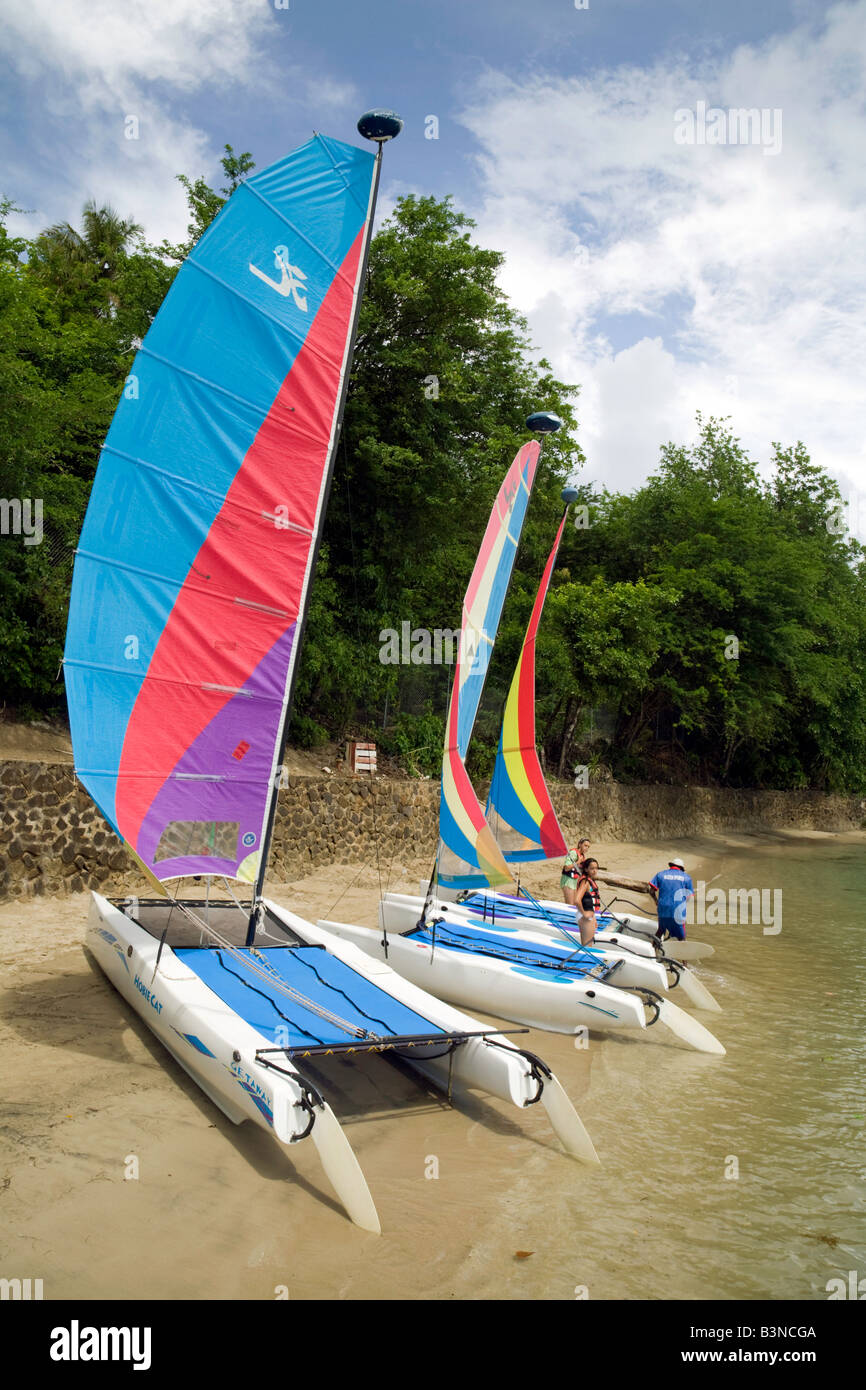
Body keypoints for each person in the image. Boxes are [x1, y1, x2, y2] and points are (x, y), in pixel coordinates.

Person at [647, 856, 694, 940]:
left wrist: (656, 901)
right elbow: (689, 897)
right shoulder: (686, 878)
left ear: (671, 865)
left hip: (663, 908)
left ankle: (653, 949)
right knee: (681, 938)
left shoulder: (660, 874)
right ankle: (680, 952)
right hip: (678, 910)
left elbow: (651, 891)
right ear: (681, 868)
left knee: (660, 930)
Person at [575, 858, 602, 945]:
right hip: (585, 916)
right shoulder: (585, 882)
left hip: (589, 916)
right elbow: (577, 900)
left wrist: (594, 919)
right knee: (587, 946)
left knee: (588, 945)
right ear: (586, 869)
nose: (595, 871)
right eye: (592, 868)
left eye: (596, 868)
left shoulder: (590, 880)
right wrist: (584, 913)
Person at [561, 838, 591, 904]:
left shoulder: (582, 856)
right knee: (570, 905)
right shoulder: (573, 853)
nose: (587, 848)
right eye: (585, 845)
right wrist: (578, 862)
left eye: (588, 847)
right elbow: (566, 868)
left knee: (575, 904)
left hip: (574, 882)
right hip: (568, 881)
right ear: (580, 844)